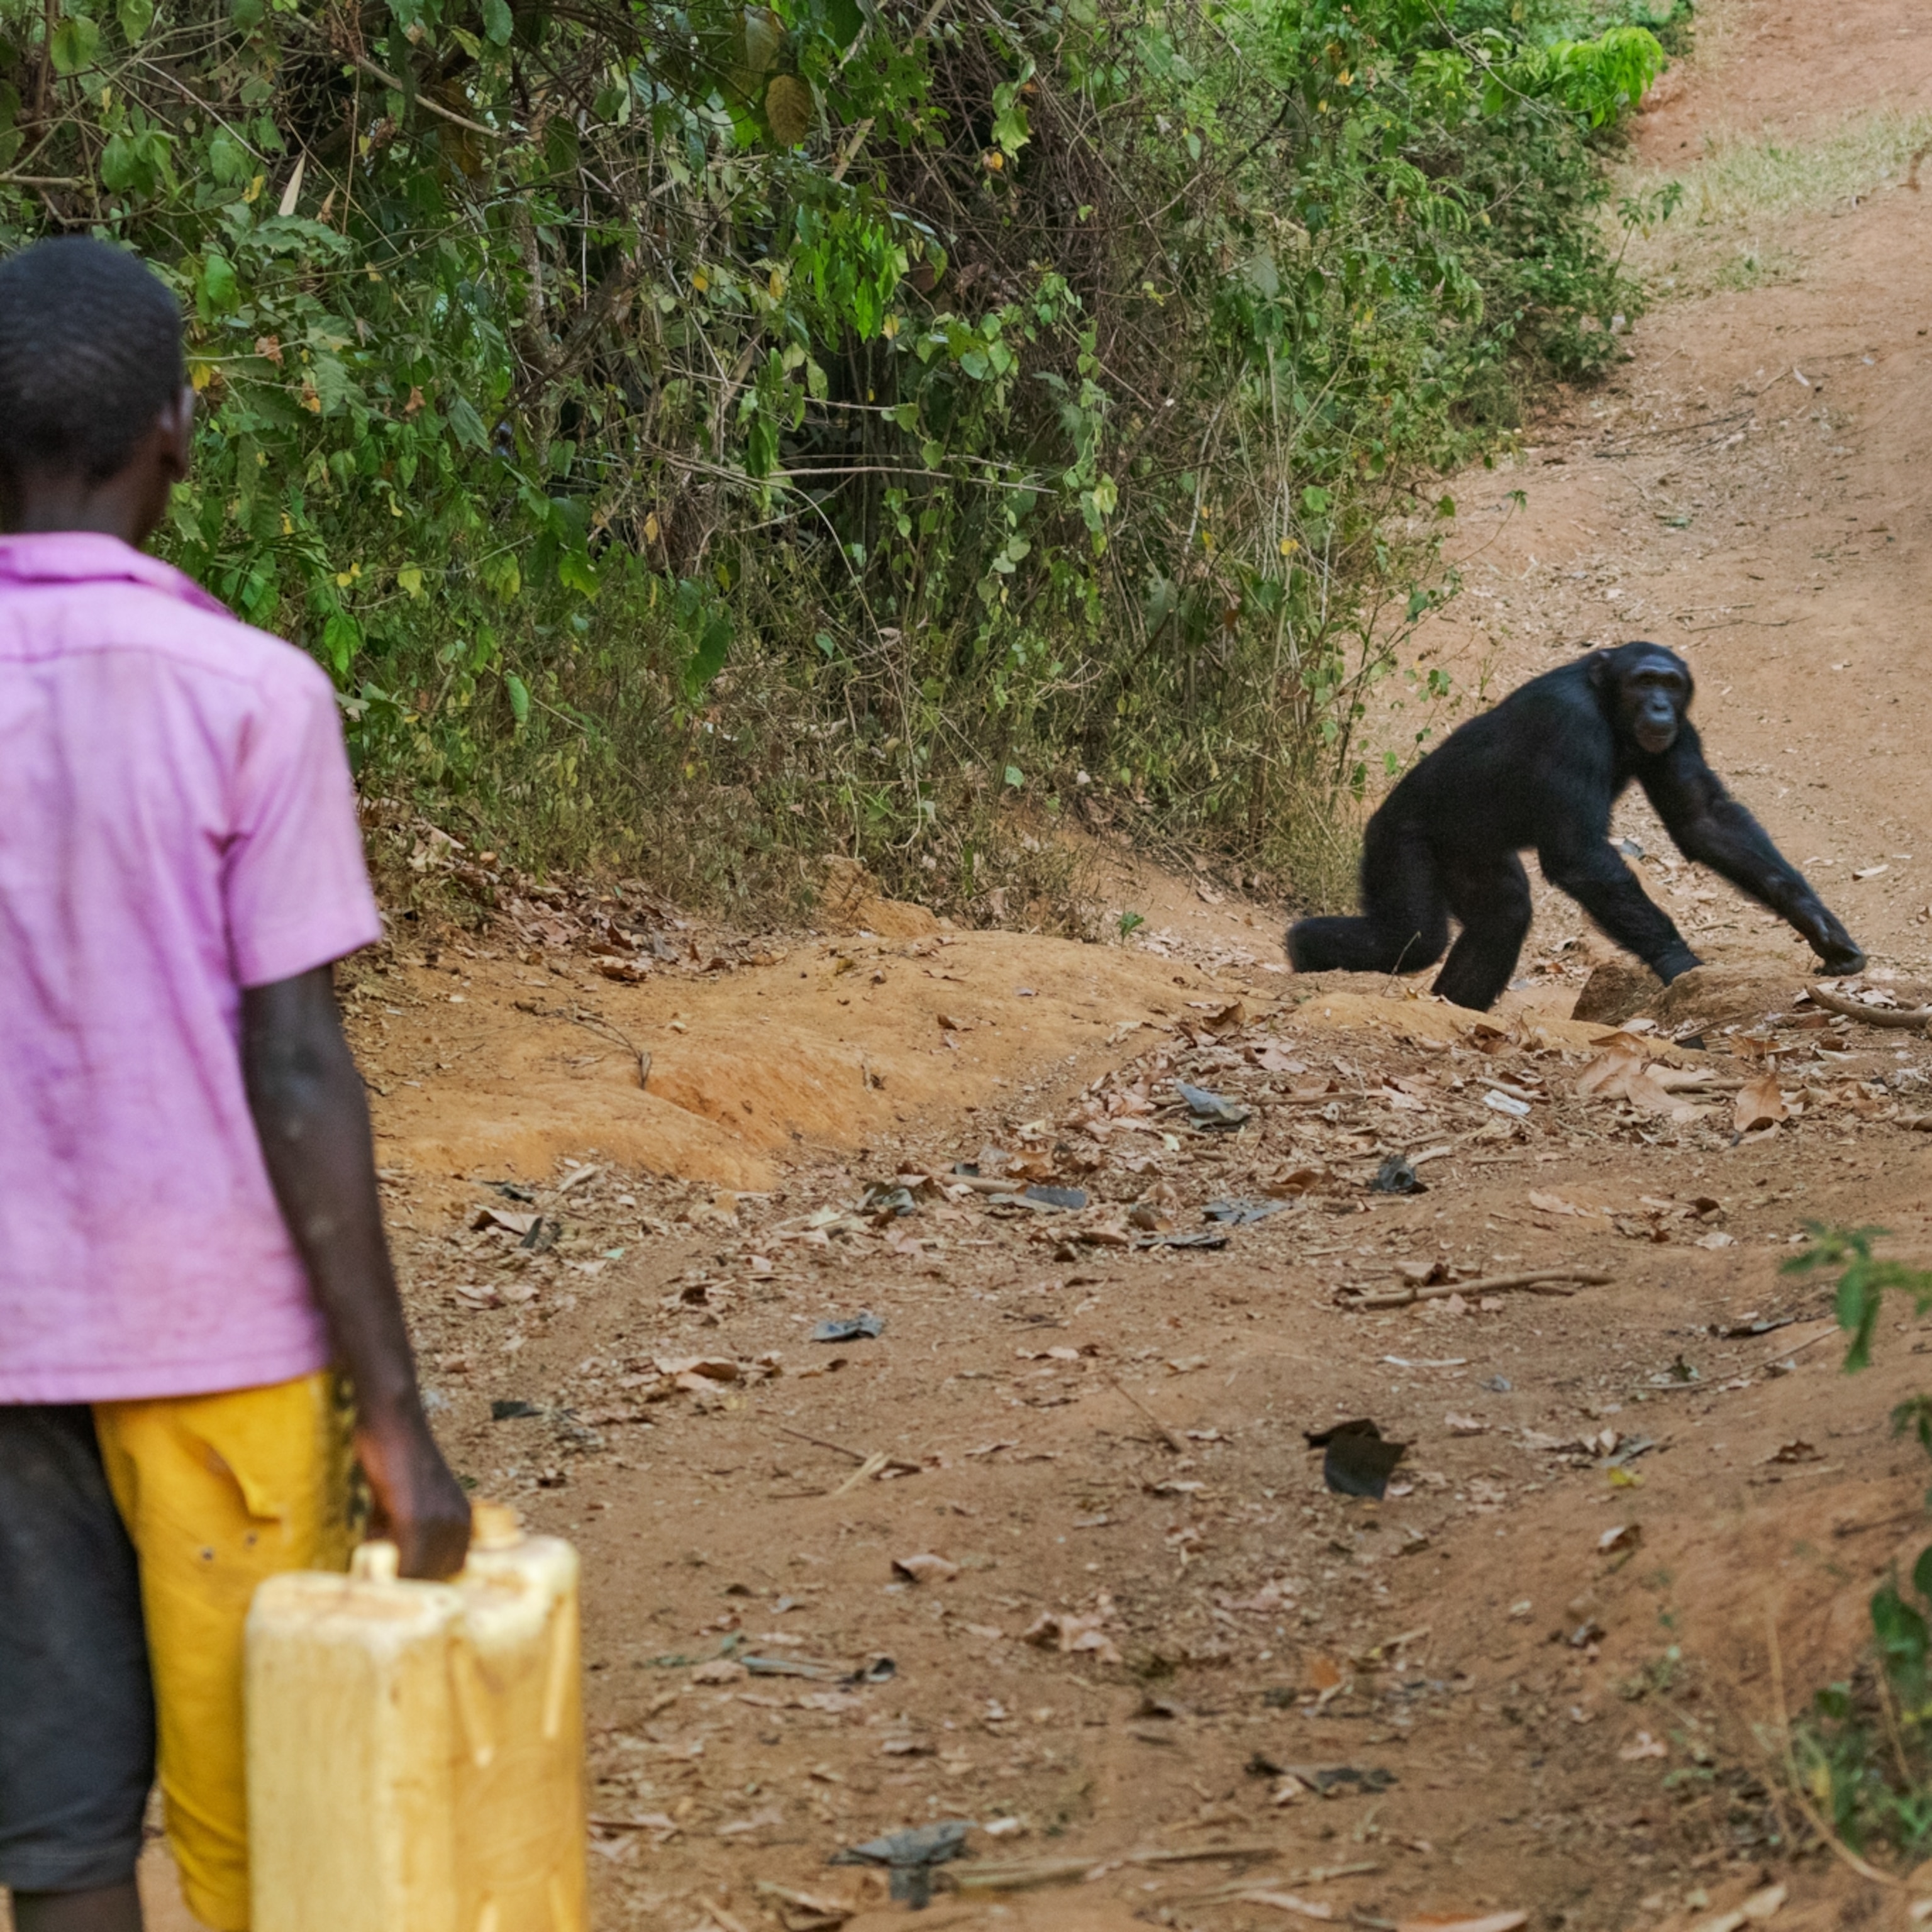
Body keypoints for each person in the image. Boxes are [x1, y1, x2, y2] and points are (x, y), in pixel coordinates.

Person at [0, 237, 471, 1932]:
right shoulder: (255, 702)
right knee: (272, 1831)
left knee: (52, 1844)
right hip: (218, 1358)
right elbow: (297, 1062)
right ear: (177, 433)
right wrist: (396, 1415)